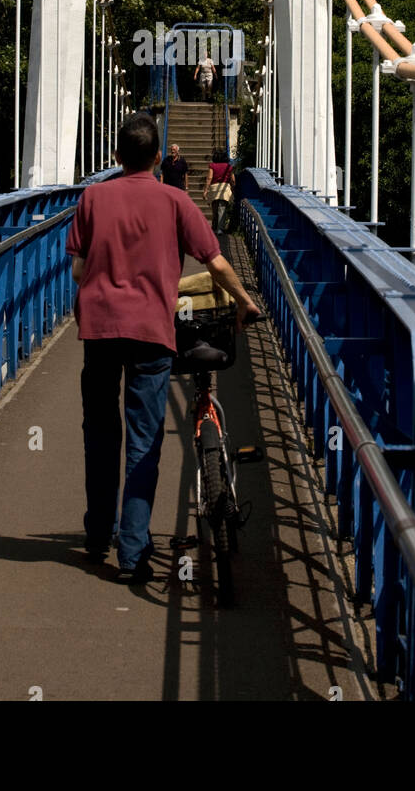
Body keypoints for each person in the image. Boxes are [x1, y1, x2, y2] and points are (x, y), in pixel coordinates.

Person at [66, 112, 259, 584]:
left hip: (99, 330)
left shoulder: (92, 197)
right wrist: (244, 301)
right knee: (143, 442)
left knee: (100, 435)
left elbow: (77, 270)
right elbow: (214, 261)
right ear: (158, 157)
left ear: (116, 156)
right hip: (152, 332)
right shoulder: (175, 201)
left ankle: (97, 536)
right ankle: (132, 554)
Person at [204, 148, 235, 233]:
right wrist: (233, 188)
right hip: (224, 189)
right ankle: (220, 228)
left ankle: (214, 227)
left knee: (214, 209)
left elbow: (209, 178)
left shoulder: (212, 166)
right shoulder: (229, 167)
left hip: (214, 188)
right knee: (222, 208)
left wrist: (206, 190)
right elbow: (232, 179)